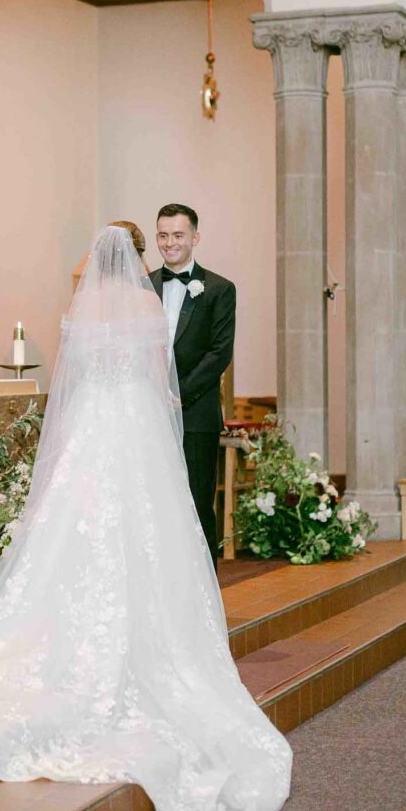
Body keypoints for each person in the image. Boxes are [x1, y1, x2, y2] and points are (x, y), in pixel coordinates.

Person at [0, 226, 291, 811]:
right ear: (141, 257)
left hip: (91, 424)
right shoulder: (146, 302)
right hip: (136, 425)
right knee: (147, 531)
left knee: (72, 530)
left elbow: (72, 376)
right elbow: (155, 372)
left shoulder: (83, 303)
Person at [150, 204, 235, 567]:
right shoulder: (143, 286)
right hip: (147, 412)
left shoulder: (219, 289)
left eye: (178, 235)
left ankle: (206, 600)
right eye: (163, 235)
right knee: (154, 502)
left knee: (198, 503)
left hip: (196, 414)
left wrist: (178, 394)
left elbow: (219, 353)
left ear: (195, 238)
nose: (169, 243)